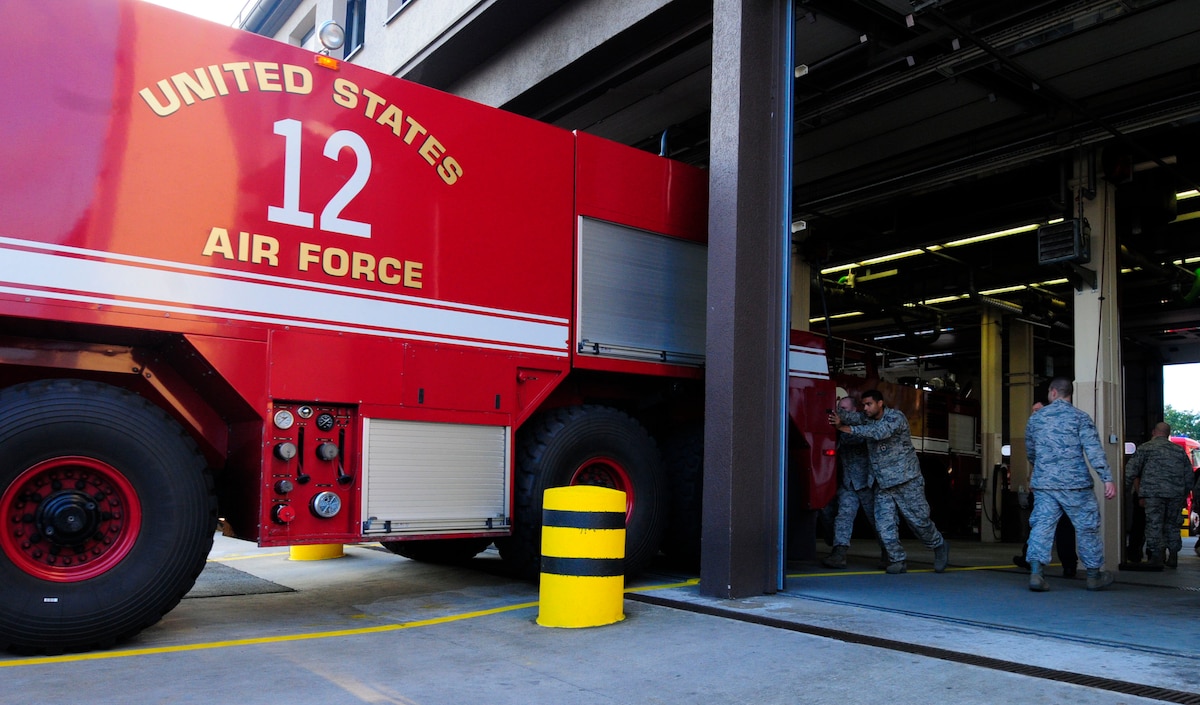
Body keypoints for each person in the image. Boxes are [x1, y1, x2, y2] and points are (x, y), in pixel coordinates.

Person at [829, 389, 949, 575]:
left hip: (906, 480)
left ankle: (938, 545)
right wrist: (833, 413)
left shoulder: (895, 418)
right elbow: (852, 417)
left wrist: (844, 428)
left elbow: (878, 432)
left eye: (869, 404)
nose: (865, 408)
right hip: (883, 484)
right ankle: (897, 559)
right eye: (863, 405)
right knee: (884, 525)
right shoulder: (867, 417)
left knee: (919, 522)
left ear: (880, 403)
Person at [1023, 377, 1116, 592]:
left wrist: (1041, 470)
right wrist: (1107, 478)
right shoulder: (1080, 418)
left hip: (1045, 485)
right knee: (1087, 528)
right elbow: (1093, 449)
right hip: (1076, 485)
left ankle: (1036, 573)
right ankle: (1093, 576)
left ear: (1053, 392)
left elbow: (1031, 451)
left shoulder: (1036, 419)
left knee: (1041, 526)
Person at [822, 396, 886, 569]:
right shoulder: (841, 427)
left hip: (866, 484)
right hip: (849, 483)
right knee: (844, 516)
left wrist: (839, 426)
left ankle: (889, 553)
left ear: (854, 411)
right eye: (839, 408)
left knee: (878, 520)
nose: (841, 412)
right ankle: (839, 553)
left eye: (844, 409)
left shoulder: (862, 425)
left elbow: (853, 438)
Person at [1124, 422, 1193, 568]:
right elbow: (1189, 476)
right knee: (1173, 524)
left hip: (1153, 494)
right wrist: (1184, 494)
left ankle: (1156, 557)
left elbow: (1131, 471)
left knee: (1154, 524)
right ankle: (1173, 555)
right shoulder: (1179, 451)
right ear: (1168, 433)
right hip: (1175, 494)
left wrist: (1124, 490)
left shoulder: (1145, 448)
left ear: (1154, 432)